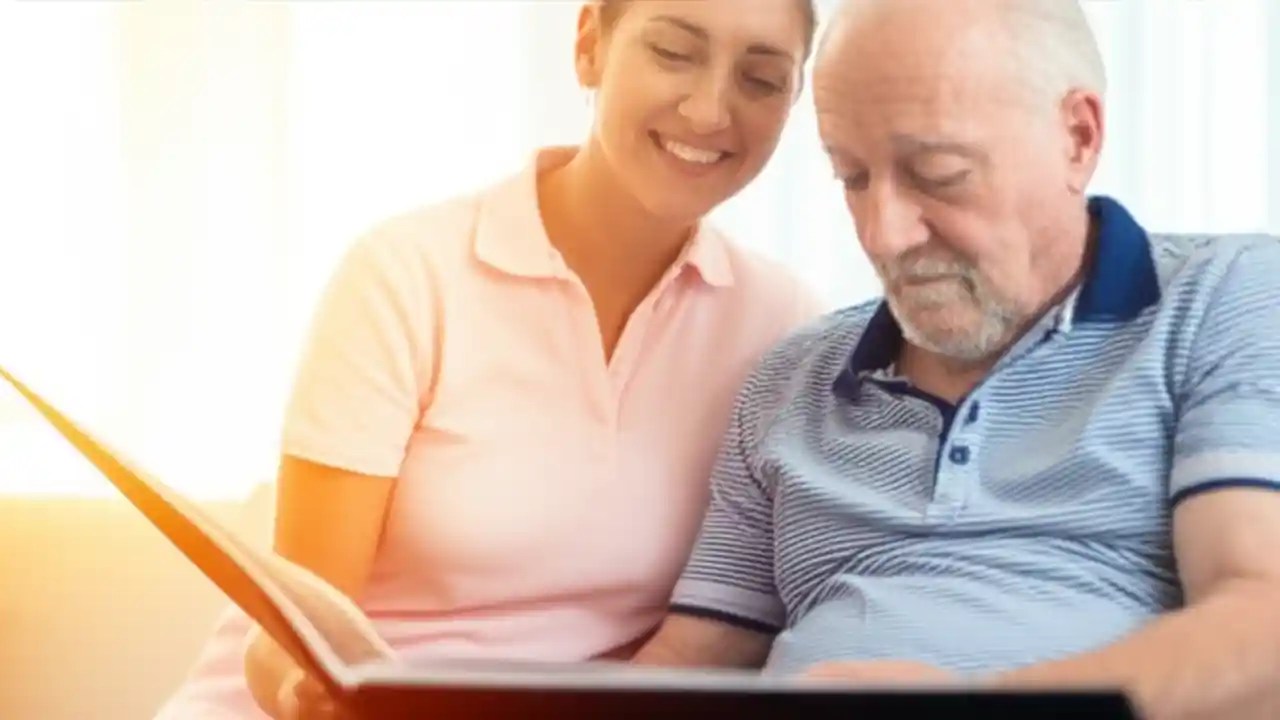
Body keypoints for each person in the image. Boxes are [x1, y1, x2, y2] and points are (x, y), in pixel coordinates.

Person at [151, 1, 821, 718]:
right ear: (589, 44)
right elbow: (293, 632)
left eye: (761, 79)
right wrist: (307, 688)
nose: (710, 109)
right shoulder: (408, 275)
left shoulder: (784, 329)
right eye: (673, 52)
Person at [632, 1, 1280, 719]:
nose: (884, 233)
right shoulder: (792, 378)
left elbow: (1262, 624)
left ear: (1078, 136)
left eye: (938, 174)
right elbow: (692, 658)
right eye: (852, 177)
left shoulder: (1227, 298)